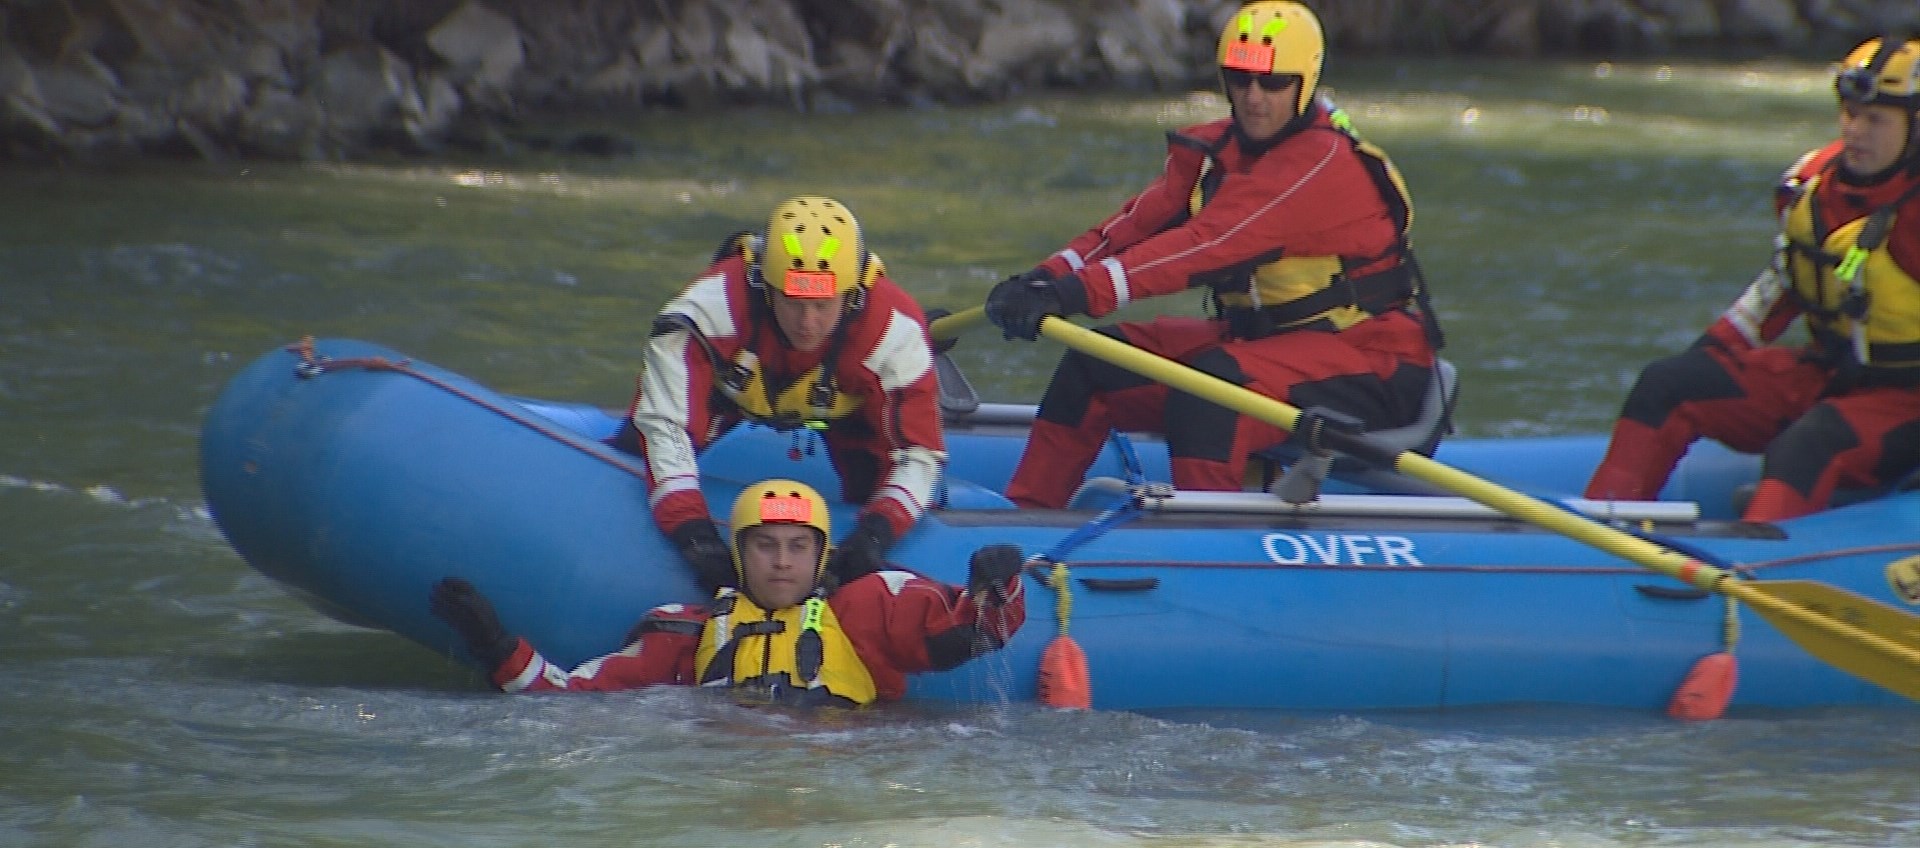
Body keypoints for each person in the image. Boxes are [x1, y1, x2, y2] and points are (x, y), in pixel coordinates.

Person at [982, 0, 1442, 508]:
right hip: (1269, 344)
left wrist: (1077, 293)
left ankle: (1210, 543)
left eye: (1273, 83)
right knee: (1094, 361)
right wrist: (1045, 279)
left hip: (1371, 360)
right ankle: (1024, 517)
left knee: (1210, 389)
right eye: (1239, 80)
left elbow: (1208, 244)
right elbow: (1131, 228)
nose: (1253, 97)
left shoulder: (1321, 165)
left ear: (1305, 84)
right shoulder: (1219, 151)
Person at [1585, 36, 1920, 522]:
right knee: (1668, 383)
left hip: (1907, 403)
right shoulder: (1810, 187)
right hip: (1832, 374)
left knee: (1809, 442)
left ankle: (1751, 580)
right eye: (1849, 113)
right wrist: (1711, 352)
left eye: (1875, 120)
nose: (1855, 131)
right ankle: (1593, 540)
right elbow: (1780, 287)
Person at [429, 480, 1025, 706]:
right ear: (740, 555)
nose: (783, 561)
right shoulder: (683, 633)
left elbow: (965, 635)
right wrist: (497, 648)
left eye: (798, 546)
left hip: (844, 774)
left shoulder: (865, 611)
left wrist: (998, 583)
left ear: (823, 556)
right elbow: (567, 699)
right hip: (722, 774)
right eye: (766, 545)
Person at [614, 196, 946, 592]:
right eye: (792, 301)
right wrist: (695, 537)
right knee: (636, 453)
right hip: (727, 397)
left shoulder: (894, 332)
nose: (808, 323)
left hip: (848, 414)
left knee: (890, 492)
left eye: (824, 304)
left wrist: (876, 534)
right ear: (764, 287)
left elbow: (919, 455)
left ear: (854, 294)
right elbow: (665, 429)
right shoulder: (706, 311)